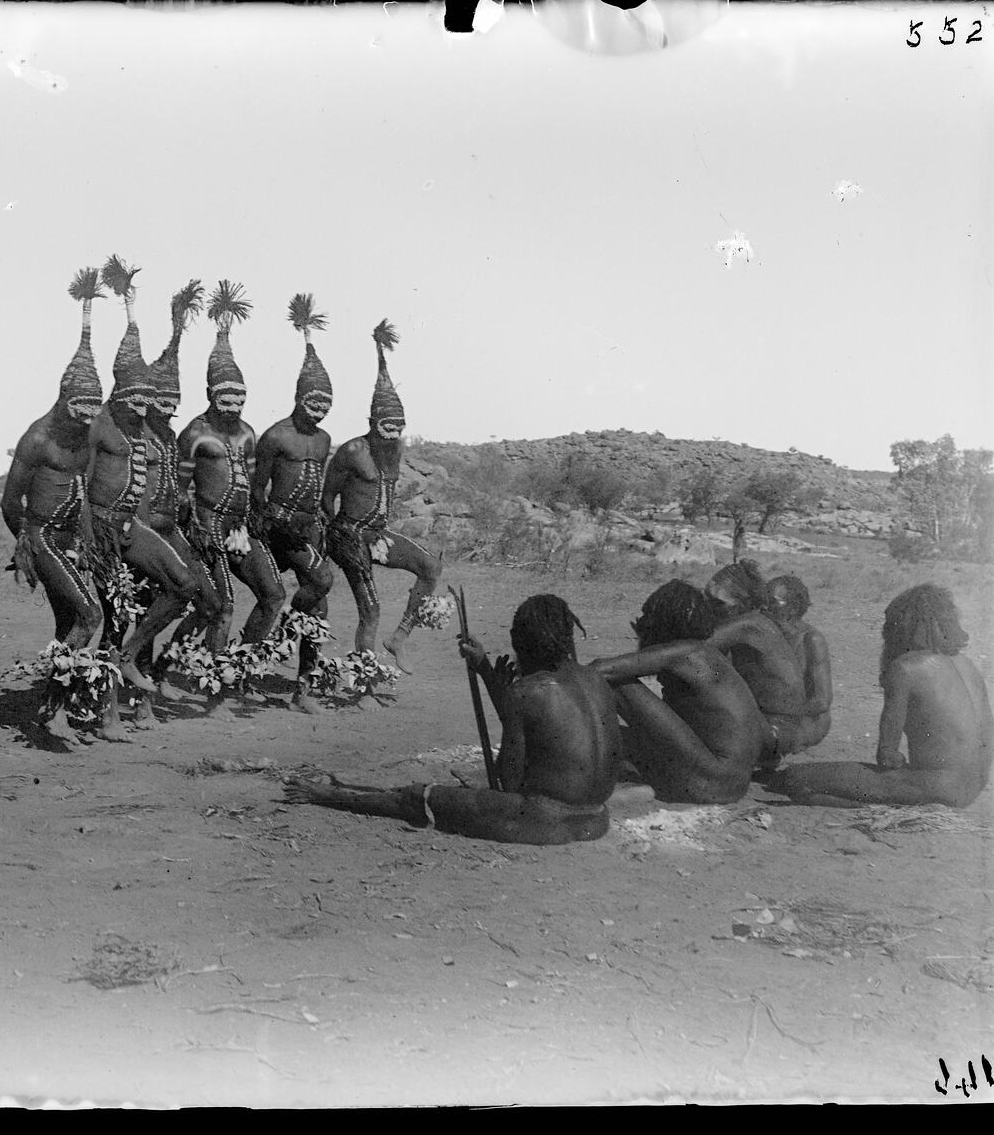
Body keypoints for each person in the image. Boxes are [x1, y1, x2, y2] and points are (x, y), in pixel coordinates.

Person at [283, 594, 621, 845]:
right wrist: (487, 671)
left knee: (419, 797)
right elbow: (545, 730)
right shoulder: (597, 679)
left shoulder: (526, 692)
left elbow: (509, 783)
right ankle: (338, 791)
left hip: (545, 822)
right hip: (595, 819)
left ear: (523, 644)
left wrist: (501, 688)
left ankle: (326, 796)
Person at [0, 266, 121, 747]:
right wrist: (28, 547)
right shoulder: (38, 438)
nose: (89, 416)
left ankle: (58, 710)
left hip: (73, 539)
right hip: (44, 536)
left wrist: (88, 543)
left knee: (72, 622)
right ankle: (51, 714)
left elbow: (86, 490)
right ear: (63, 397)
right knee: (89, 616)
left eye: (95, 407)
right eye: (81, 406)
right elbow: (11, 503)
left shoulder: (86, 434)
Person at [91, 259, 213, 724]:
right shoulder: (101, 427)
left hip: (140, 531)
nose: (147, 409)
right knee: (112, 617)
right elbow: (84, 485)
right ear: (119, 396)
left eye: (154, 402)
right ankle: (107, 714)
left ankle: (137, 693)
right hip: (104, 535)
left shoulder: (150, 432)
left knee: (174, 593)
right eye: (138, 401)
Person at [761, 585, 994, 808]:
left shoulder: (905, 668)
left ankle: (867, 805)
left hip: (937, 788)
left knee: (794, 778)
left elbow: (887, 756)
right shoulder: (968, 666)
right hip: (973, 789)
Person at [322, 320, 443, 686]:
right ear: (372, 421)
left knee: (431, 569)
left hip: (378, 533)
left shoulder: (397, 449)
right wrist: (338, 542)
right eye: (386, 427)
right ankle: (364, 681)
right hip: (348, 533)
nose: (392, 434)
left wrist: (375, 536)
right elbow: (328, 497)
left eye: (398, 427)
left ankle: (400, 636)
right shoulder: (353, 451)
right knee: (370, 608)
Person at [176, 281, 286, 680]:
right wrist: (193, 530)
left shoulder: (248, 433)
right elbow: (178, 487)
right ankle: (210, 680)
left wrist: (257, 518)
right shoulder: (193, 434)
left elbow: (255, 484)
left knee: (274, 595)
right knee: (220, 606)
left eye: (240, 400)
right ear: (209, 393)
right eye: (226, 400)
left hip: (239, 528)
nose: (234, 407)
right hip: (206, 527)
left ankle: (239, 665)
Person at [590, 580, 771, 804]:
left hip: (708, 781)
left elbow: (600, 670)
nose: (643, 622)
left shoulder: (684, 652)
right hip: (729, 786)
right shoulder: (704, 653)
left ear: (664, 620)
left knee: (615, 684)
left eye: (648, 616)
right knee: (618, 735)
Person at [129, 281, 223, 710]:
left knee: (210, 602)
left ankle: (161, 671)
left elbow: (179, 487)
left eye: (174, 399)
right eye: (161, 399)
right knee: (150, 603)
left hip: (173, 530)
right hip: (142, 533)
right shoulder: (135, 434)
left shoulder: (169, 436)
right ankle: (135, 686)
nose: (168, 406)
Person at [249, 294, 338, 714]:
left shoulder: (323, 440)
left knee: (318, 602)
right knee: (310, 585)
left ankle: (303, 690)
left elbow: (319, 486)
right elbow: (257, 487)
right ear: (298, 397)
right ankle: (241, 672)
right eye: (313, 402)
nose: (318, 411)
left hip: (307, 527)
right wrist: (265, 524)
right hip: (276, 528)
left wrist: (322, 519)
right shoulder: (275, 436)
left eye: (325, 405)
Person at [702, 559, 810, 764]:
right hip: (771, 730)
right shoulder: (750, 625)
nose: (708, 607)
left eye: (718, 603)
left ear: (743, 604)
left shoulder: (749, 626)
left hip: (774, 731)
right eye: (705, 598)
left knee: (694, 663)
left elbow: (692, 648)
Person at [766, 574, 833, 749]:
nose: (764, 607)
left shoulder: (811, 640)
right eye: (763, 601)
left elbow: (822, 701)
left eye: (772, 602)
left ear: (794, 608)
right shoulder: (766, 634)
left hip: (805, 723)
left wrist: (772, 708)